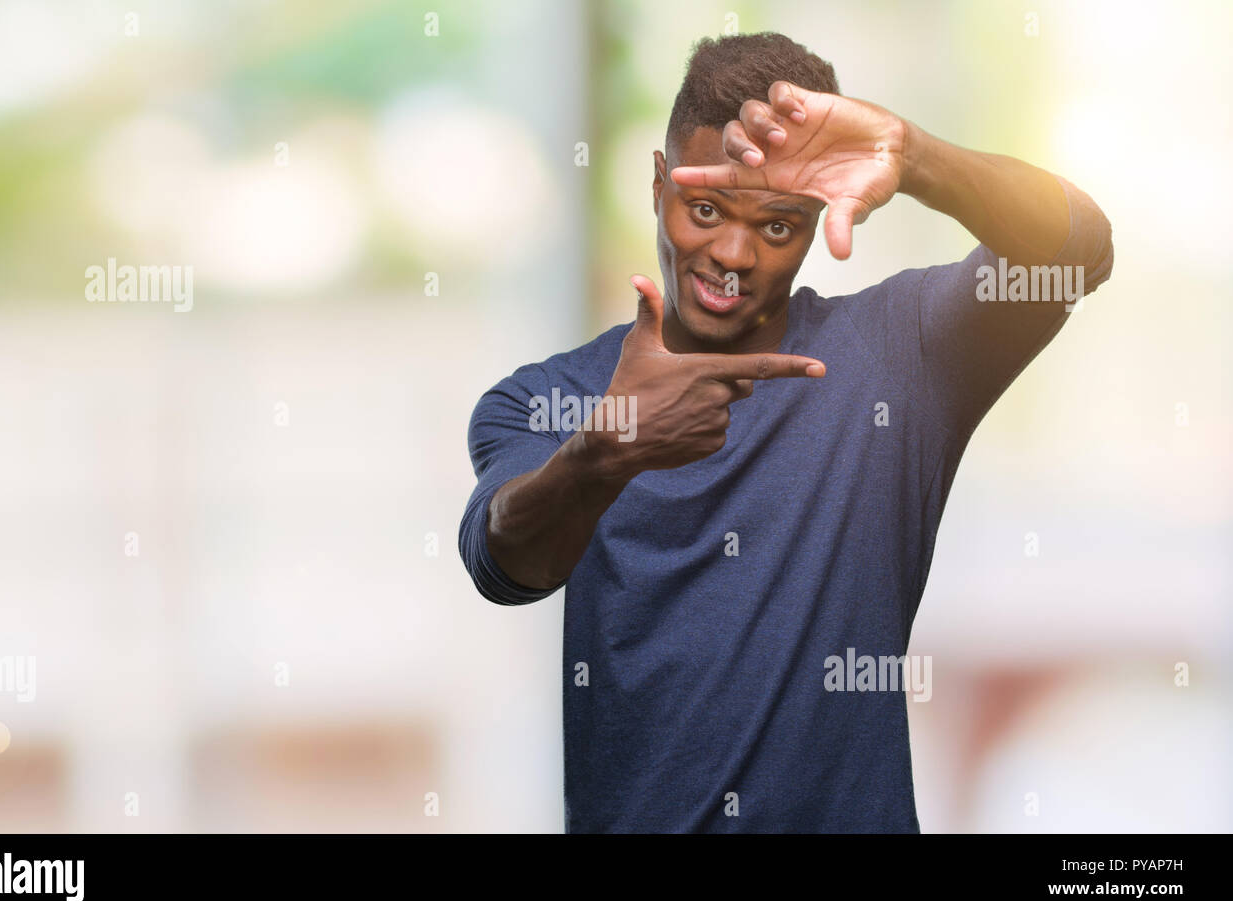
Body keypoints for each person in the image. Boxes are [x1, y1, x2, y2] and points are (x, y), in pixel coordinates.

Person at [458, 31, 1113, 833]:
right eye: (704, 209)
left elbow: (1080, 250)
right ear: (659, 184)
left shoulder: (898, 356)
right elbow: (505, 561)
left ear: (815, 218)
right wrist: (602, 452)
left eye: (776, 225)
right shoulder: (548, 399)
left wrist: (914, 158)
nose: (731, 254)